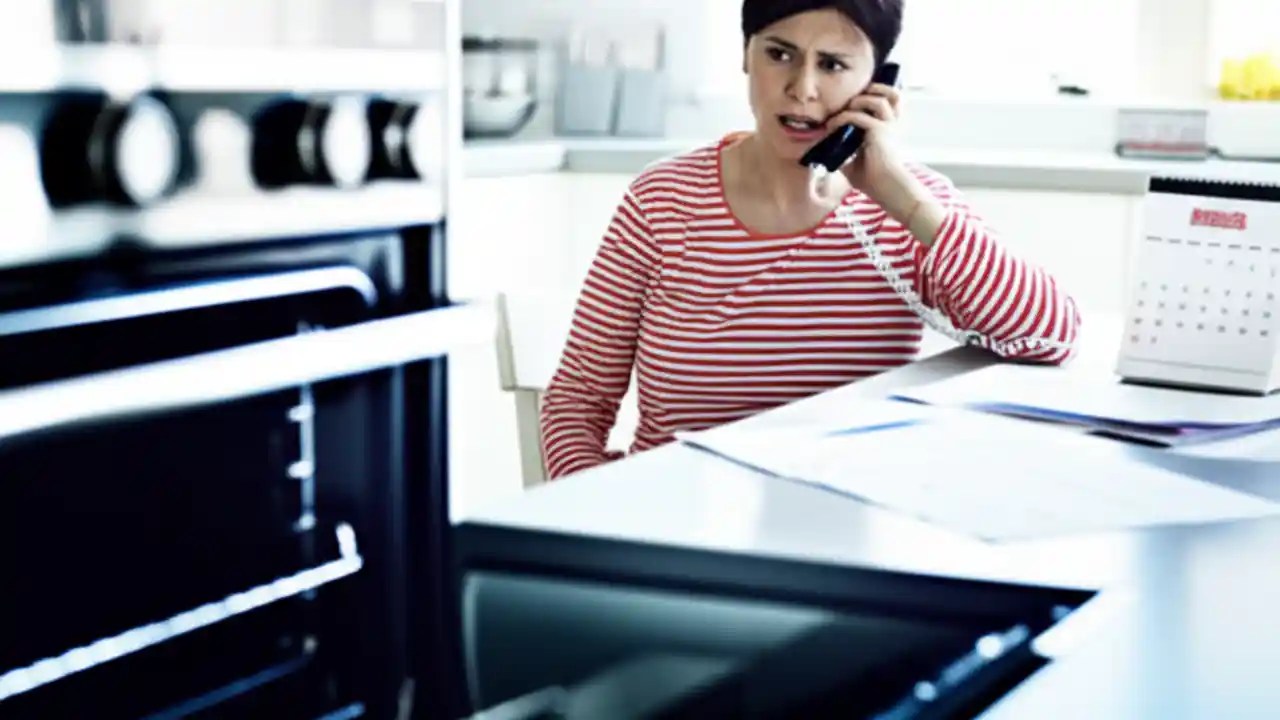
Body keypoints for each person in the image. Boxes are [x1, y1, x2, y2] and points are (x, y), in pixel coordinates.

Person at [539, 0, 1082, 480]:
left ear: (880, 83)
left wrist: (900, 197)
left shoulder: (908, 206)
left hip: (842, 537)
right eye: (780, 54)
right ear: (746, 54)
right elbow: (577, 401)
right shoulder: (663, 200)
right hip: (677, 526)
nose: (802, 88)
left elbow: (1051, 336)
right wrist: (598, 515)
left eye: (833, 65)